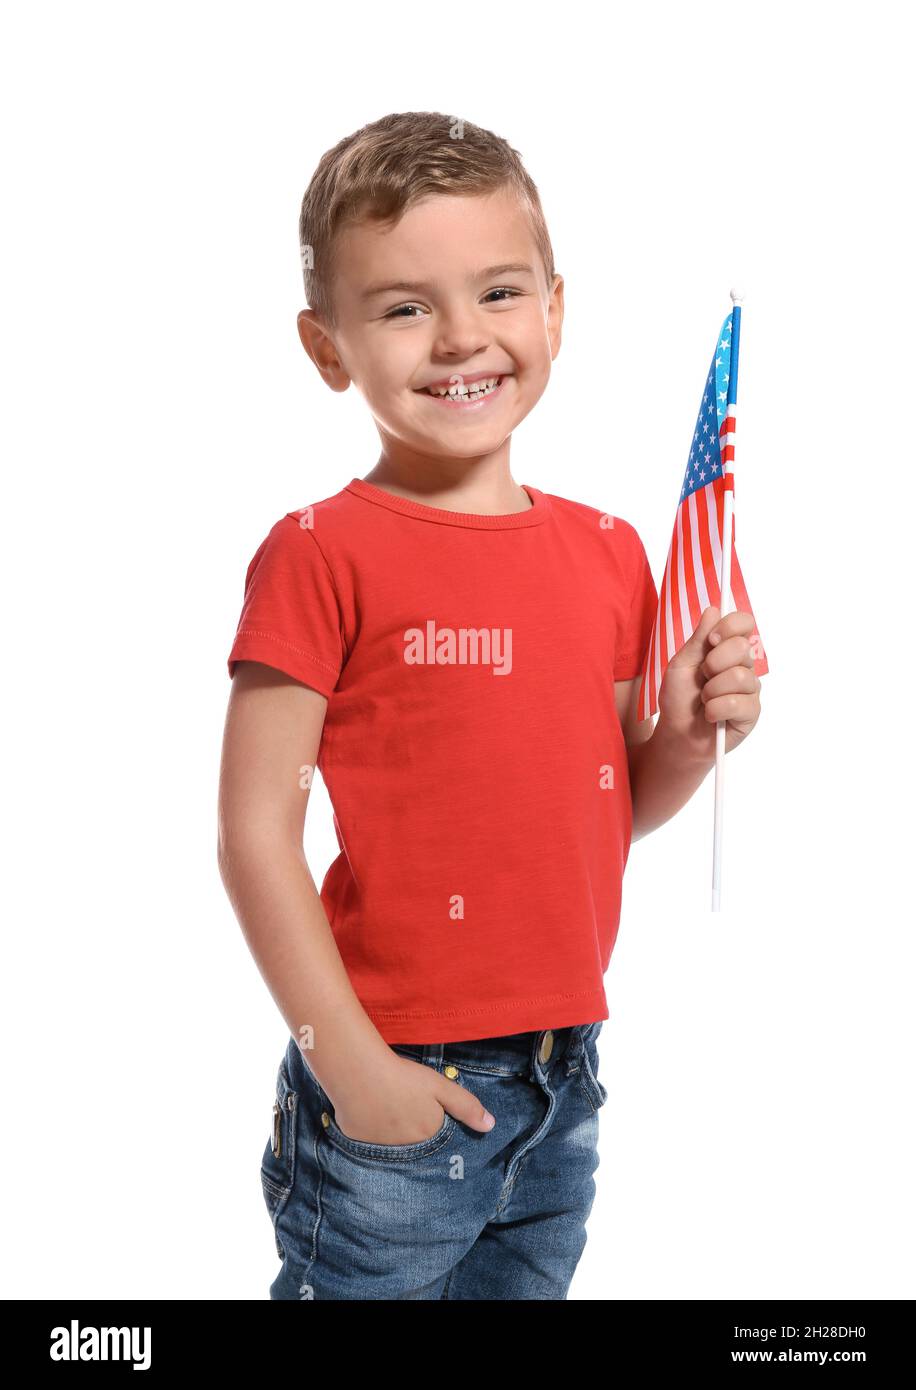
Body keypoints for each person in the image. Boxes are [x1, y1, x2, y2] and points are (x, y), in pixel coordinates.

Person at [217, 111, 762, 1300]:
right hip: (391, 1088)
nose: (462, 337)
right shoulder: (319, 554)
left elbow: (606, 808)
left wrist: (685, 733)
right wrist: (351, 1069)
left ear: (555, 309)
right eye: (405, 306)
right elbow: (256, 834)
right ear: (327, 346)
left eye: (499, 292)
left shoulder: (613, 552)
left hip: (565, 1084)